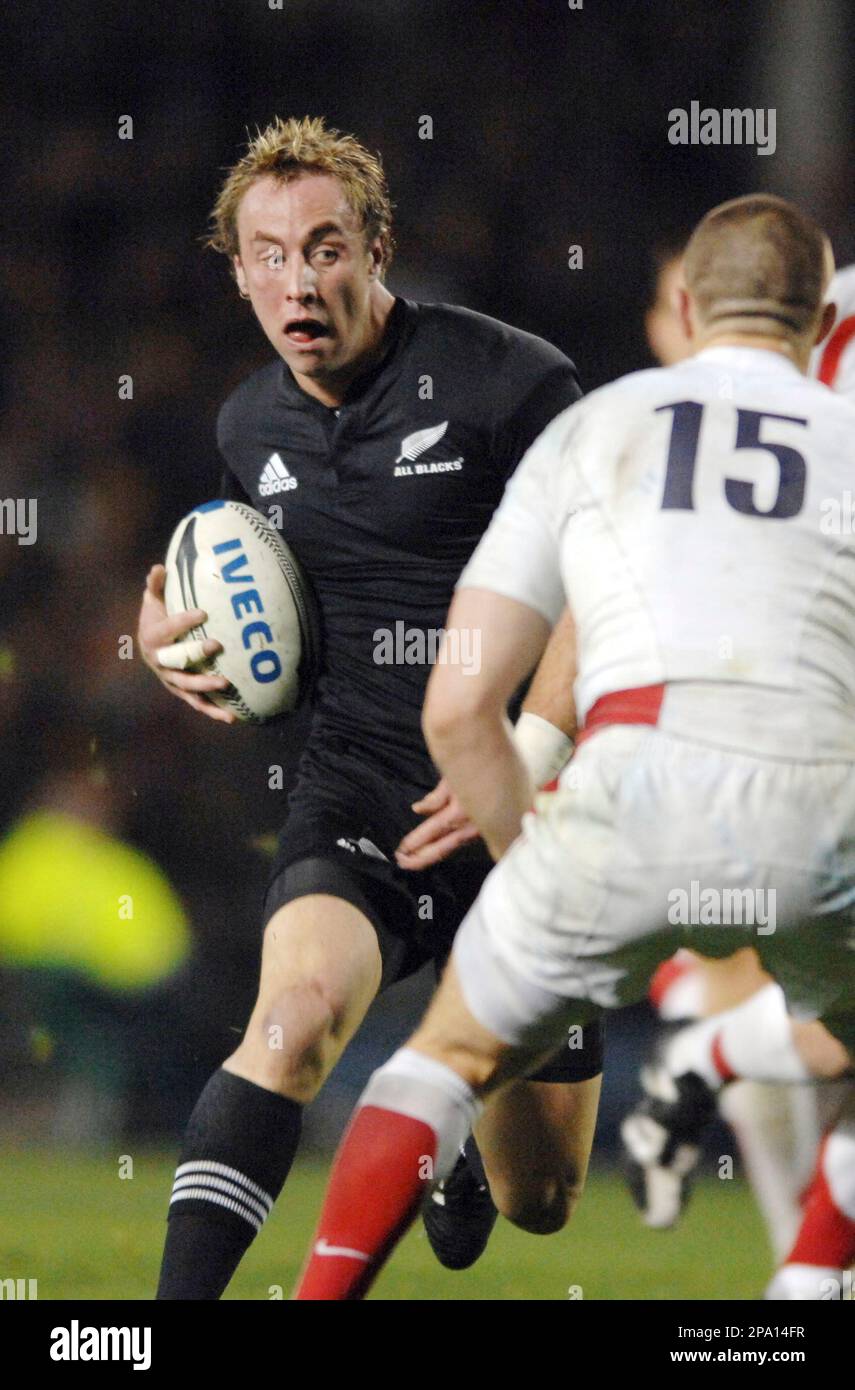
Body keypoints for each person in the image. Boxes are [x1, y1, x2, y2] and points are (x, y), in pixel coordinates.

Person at [292, 192, 855, 1301]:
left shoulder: (595, 428)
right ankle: (802, 1295)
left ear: (686, 307)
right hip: (816, 797)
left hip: (627, 783)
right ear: (818, 319)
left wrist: (531, 854)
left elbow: (457, 711)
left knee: (440, 1062)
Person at [137, 115, 602, 1300]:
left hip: (521, 798)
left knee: (543, 1197)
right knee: (288, 1024)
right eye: (273, 255)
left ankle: (451, 1141)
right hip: (356, 784)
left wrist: (530, 750)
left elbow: (615, 588)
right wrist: (162, 641)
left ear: (377, 246)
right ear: (238, 272)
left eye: (328, 247)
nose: (302, 280)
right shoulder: (249, 428)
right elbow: (248, 596)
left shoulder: (511, 380)